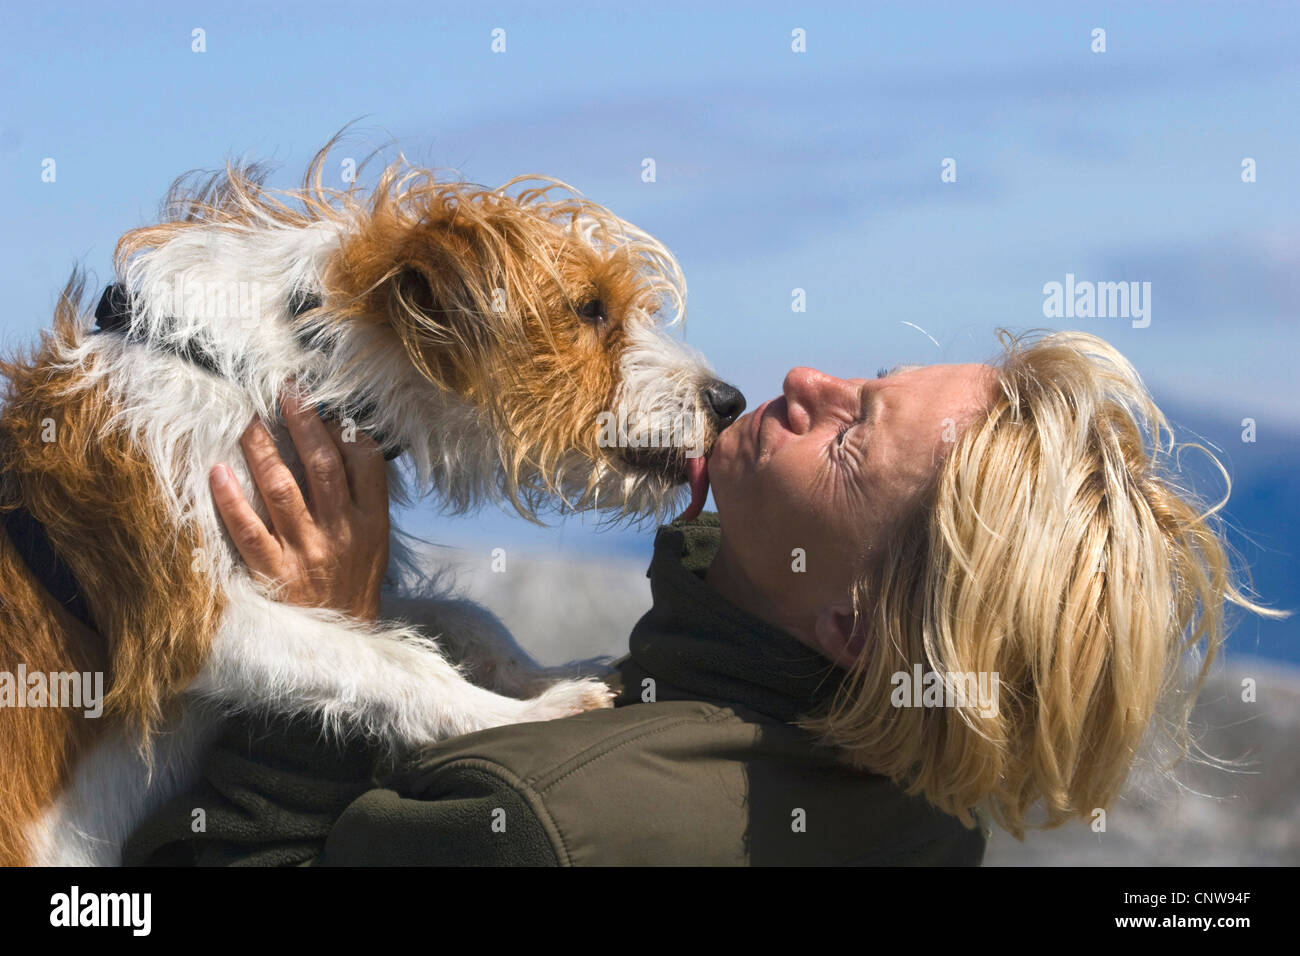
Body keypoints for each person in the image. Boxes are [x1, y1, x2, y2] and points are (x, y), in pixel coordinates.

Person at [123, 329, 1277, 865]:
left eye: (848, 438)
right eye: (866, 378)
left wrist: (329, 658)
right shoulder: (926, 820)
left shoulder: (541, 821)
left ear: (856, 623)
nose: (806, 380)